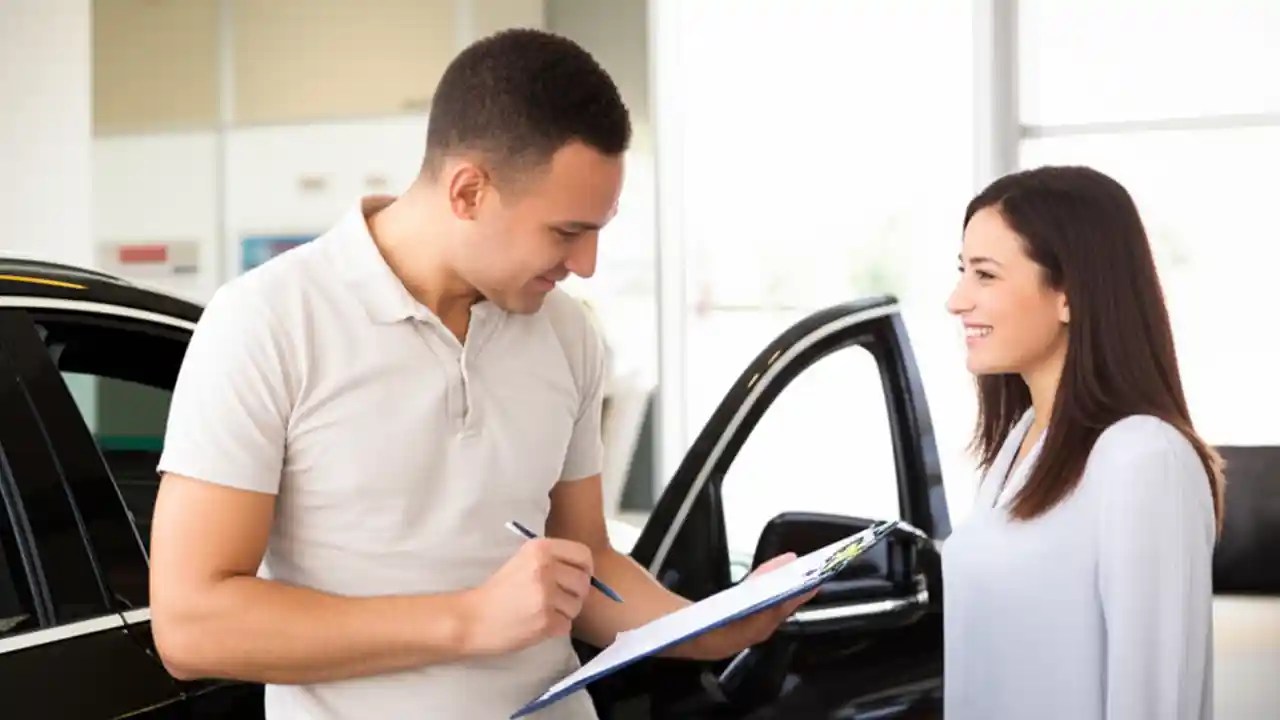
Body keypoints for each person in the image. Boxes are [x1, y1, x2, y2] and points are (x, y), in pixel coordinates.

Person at [147, 29, 812, 720]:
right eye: (565, 232)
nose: (585, 263)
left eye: (599, 230)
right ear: (468, 190)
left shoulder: (567, 332)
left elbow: (586, 564)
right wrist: (469, 621)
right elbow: (193, 626)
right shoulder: (266, 322)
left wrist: (712, 627)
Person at [942, 164, 1225, 719]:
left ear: (1070, 293)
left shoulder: (1143, 458)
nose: (957, 300)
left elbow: (1153, 704)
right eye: (962, 271)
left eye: (986, 275)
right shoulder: (1021, 444)